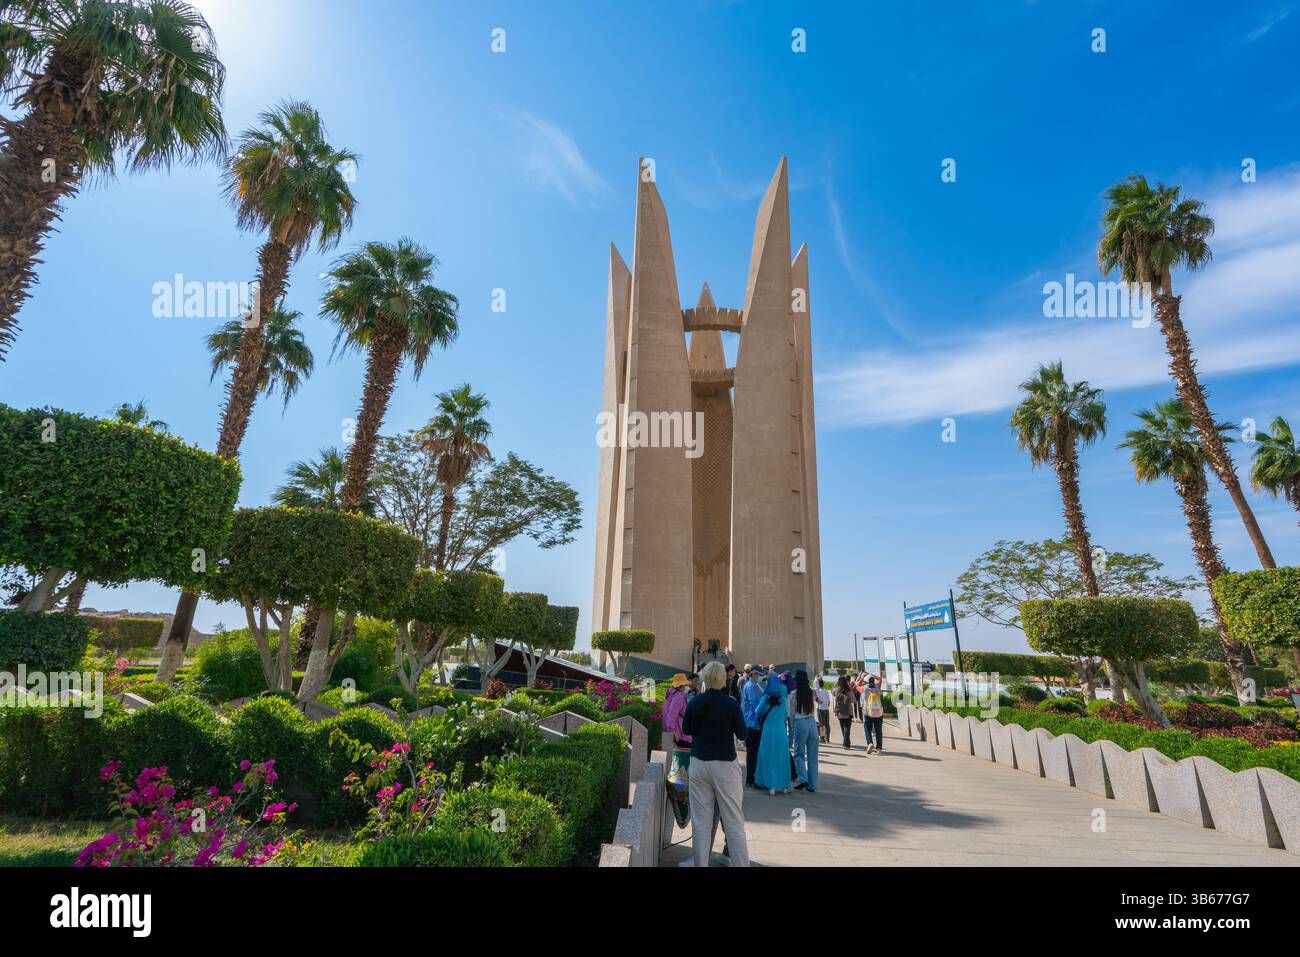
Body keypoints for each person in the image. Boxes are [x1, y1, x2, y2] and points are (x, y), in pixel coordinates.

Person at [681, 661, 751, 867]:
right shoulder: (730, 703)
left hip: (699, 764)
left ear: (704, 677)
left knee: (701, 823)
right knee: (733, 822)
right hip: (724, 765)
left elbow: (686, 729)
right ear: (724, 679)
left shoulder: (695, 701)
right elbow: (743, 734)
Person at [754, 670, 792, 794]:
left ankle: (771, 785)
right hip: (781, 730)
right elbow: (786, 714)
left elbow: (758, 712)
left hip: (768, 730)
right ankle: (784, 785)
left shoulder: (766, 696)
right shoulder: (784, 696)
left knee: (768, 756)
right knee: (782, 757)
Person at [790, 670, 820, 792]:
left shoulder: (793, 694)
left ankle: (803, 779)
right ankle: (812, 784)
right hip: (812, 722)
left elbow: (791, 713)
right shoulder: (812, 692)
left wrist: (792, 727)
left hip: (800, 722)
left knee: (799, 753)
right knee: (813, 756)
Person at [663, 673, 693, 777]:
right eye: (684, 685)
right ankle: (679, 788)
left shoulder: (670, 694)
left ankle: (677, 785)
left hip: (677, 732)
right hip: (681, 733)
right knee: (683, 764)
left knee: (678, 764)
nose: (686, 687)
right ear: (681, 686)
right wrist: (671, 730)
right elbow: (672, 714)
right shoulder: (679, 696)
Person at [741, 666, 766, 786]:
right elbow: (754, 704)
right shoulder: (751, 686)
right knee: (752, 752)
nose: (760, 676)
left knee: (753, 752)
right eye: (759, 674)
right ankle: (750, 779)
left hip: (752, 722)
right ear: (754, 674)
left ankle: (751, 778)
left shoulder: (753, 685)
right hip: (752, 723)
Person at [863, 674, 885, 754]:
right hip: (878, 712)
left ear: (867, 682)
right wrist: (873, 675)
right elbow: (879, 678)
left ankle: (870, 743)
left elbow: (857, 684)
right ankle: (878, 748)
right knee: (878, 730)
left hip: (868, 712)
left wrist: (862, 676)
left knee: (867, 729)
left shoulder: (865, 688)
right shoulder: (877, 688)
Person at [833, 675, 854, 748]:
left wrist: (836, 684)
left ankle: (846, 741)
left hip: (839, 712)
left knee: (843, 727)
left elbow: (832, 691)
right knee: (847, 727)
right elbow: (853, 700)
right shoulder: (849, 690)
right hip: (848, 712)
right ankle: (846, 743)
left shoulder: (836, 690)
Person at [815, 679, 831, 744]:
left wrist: (816, 699)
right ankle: (828, 738)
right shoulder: (826, 691)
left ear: (818, 684)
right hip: (826, 709)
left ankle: (822, 739)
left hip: (820, 709)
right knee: (827, 724)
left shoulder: (818, 692)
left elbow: (820, 701)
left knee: (821, 725)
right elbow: (829, 702)